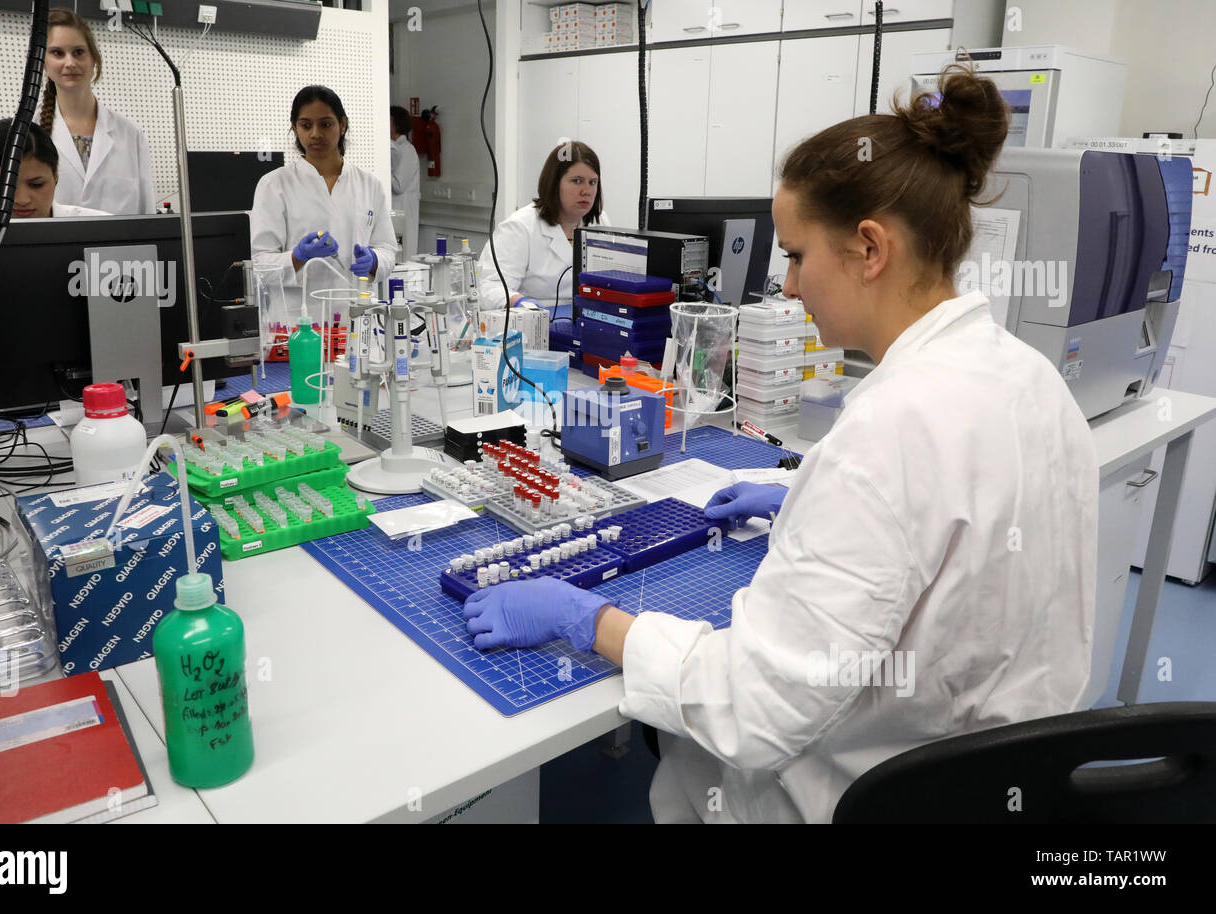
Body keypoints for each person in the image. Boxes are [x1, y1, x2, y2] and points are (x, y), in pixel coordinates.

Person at [461, 66, 1100, 823]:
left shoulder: (890, 428)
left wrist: (584, 620)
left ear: (869, 248)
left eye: (796, 255)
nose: (787, 286)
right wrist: (804, 493)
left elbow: (754, 706)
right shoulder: (1033, 382)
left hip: (849, 796)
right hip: (989, 792)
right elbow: (955, 527)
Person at [251, 85, 399, 297]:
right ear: (295, 128)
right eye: (306, 125)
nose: (315, 134)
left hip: (356, 312)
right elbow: (261, 265)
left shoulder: (370, 184)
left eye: (326, 124)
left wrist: (375, 260)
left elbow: (387, 250)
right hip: (298, 318)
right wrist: (297, 257)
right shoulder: (274, 185)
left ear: (342, 125)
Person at [37, 9, 155, 215]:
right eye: (57, 53)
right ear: (44, 63)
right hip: (55, 245)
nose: (70, 63)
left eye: (78, 52)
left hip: (119, 246)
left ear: (94, 59)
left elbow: (147, 213)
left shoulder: (130, 134)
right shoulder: (27, 133)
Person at [477, 141, 610, 316]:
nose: (586, 191)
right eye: (577, 181)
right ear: (554, 184)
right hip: (532, 325)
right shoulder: (520, 227)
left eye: (592, 182)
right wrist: (520, 303)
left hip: (587, 322)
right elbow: (489, 287)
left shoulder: (599, 221)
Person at [0, 120, 107, 219]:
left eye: (36, 184)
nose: (22, 199)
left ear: (55, 175)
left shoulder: (104, 229)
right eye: (7, 185)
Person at [389, 105, 421, 262]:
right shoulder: (394, 148)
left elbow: (398, 185)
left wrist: (383, 169)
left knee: (404, 258)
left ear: (396, 125)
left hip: (403, 211)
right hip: (394, 212)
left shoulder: (407, 150)